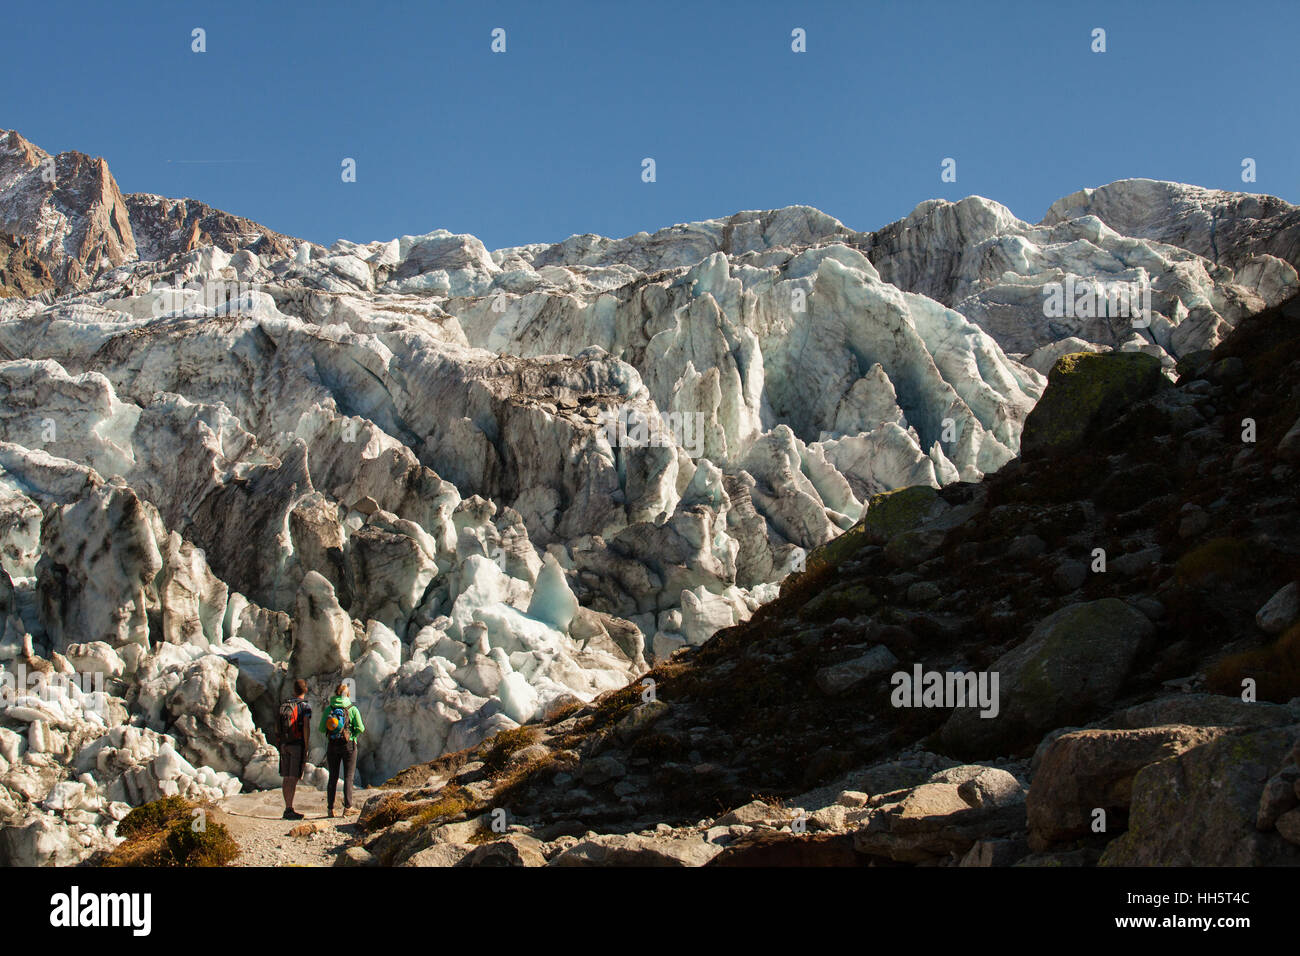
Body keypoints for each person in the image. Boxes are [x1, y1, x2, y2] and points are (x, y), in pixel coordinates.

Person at [319, 683, 365, 818]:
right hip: (349, 745)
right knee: (348, 777)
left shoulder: (330, 709)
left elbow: (322, 728)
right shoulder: (352, 708)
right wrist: (353, 735)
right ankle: (347, 808)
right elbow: (361, 728)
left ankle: (330, 809)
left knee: (332, 777)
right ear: (348, 694)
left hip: (333, 745)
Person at [276, 679, 312, 820]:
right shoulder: (305, 706)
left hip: (284, 744)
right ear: (306, 690)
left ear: (293, 690)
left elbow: (276, 727)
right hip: (297, 744)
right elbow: (306, 727)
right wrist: (306, 745)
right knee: (293, 777)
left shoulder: (284, 705)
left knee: (286, 777)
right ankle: (290, 809)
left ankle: (287, 807)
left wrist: (280, 742)